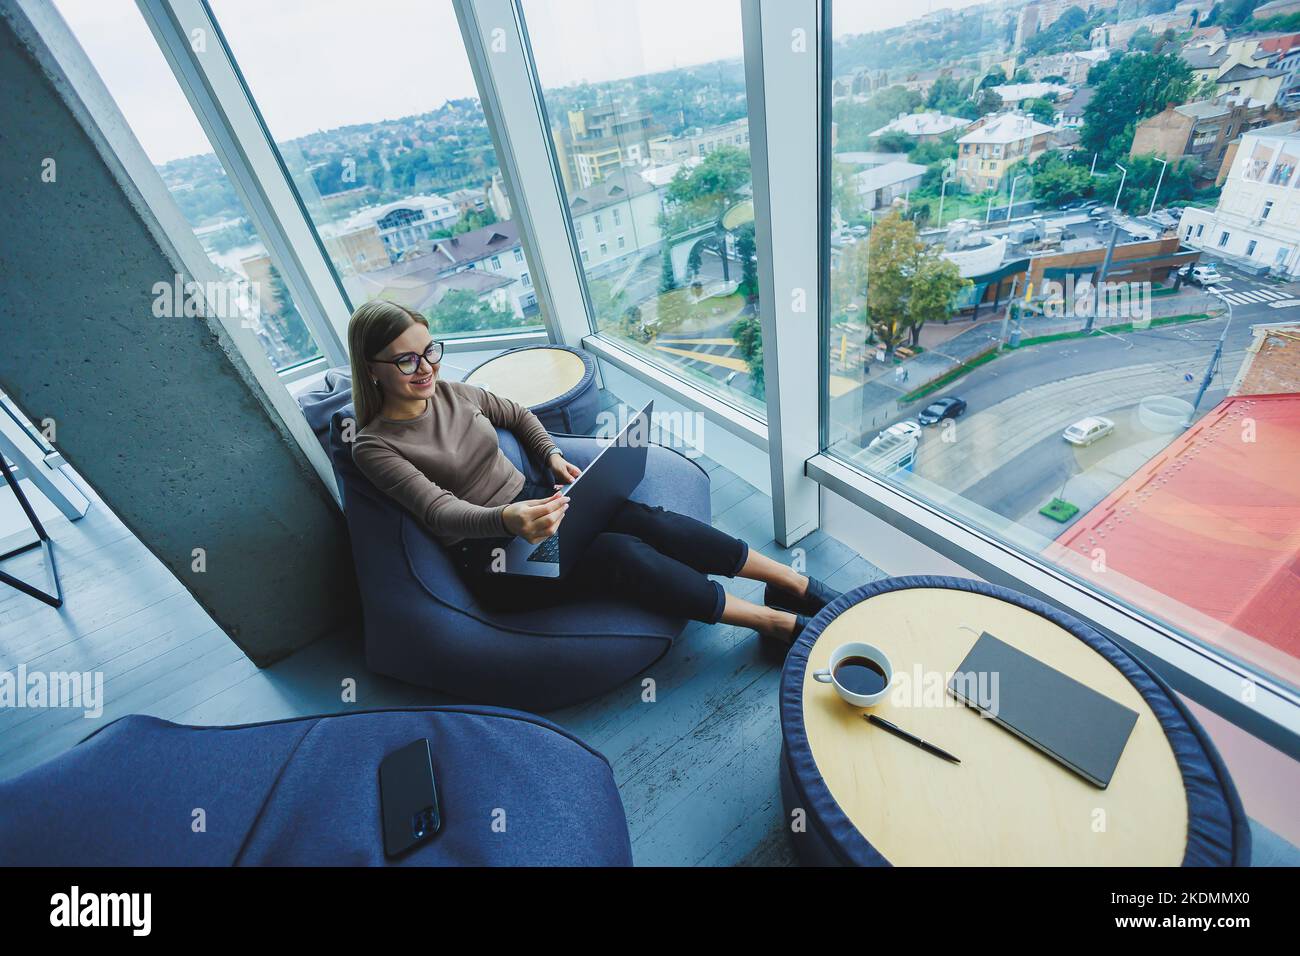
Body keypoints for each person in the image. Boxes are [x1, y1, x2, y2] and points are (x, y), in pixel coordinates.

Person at [346, 301, 840, 643]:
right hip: (495, 556)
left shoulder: (456, 392)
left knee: (650, 520)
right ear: (371, 369)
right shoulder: (374, 446)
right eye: (406, 360)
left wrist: (550, 456)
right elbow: (439, 512)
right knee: (618, 552)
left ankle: (790, 584)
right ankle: (773, 624)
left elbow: (517, 415)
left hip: (540, 498)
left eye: (430, 350)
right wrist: (508, 519)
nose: (425, 367)